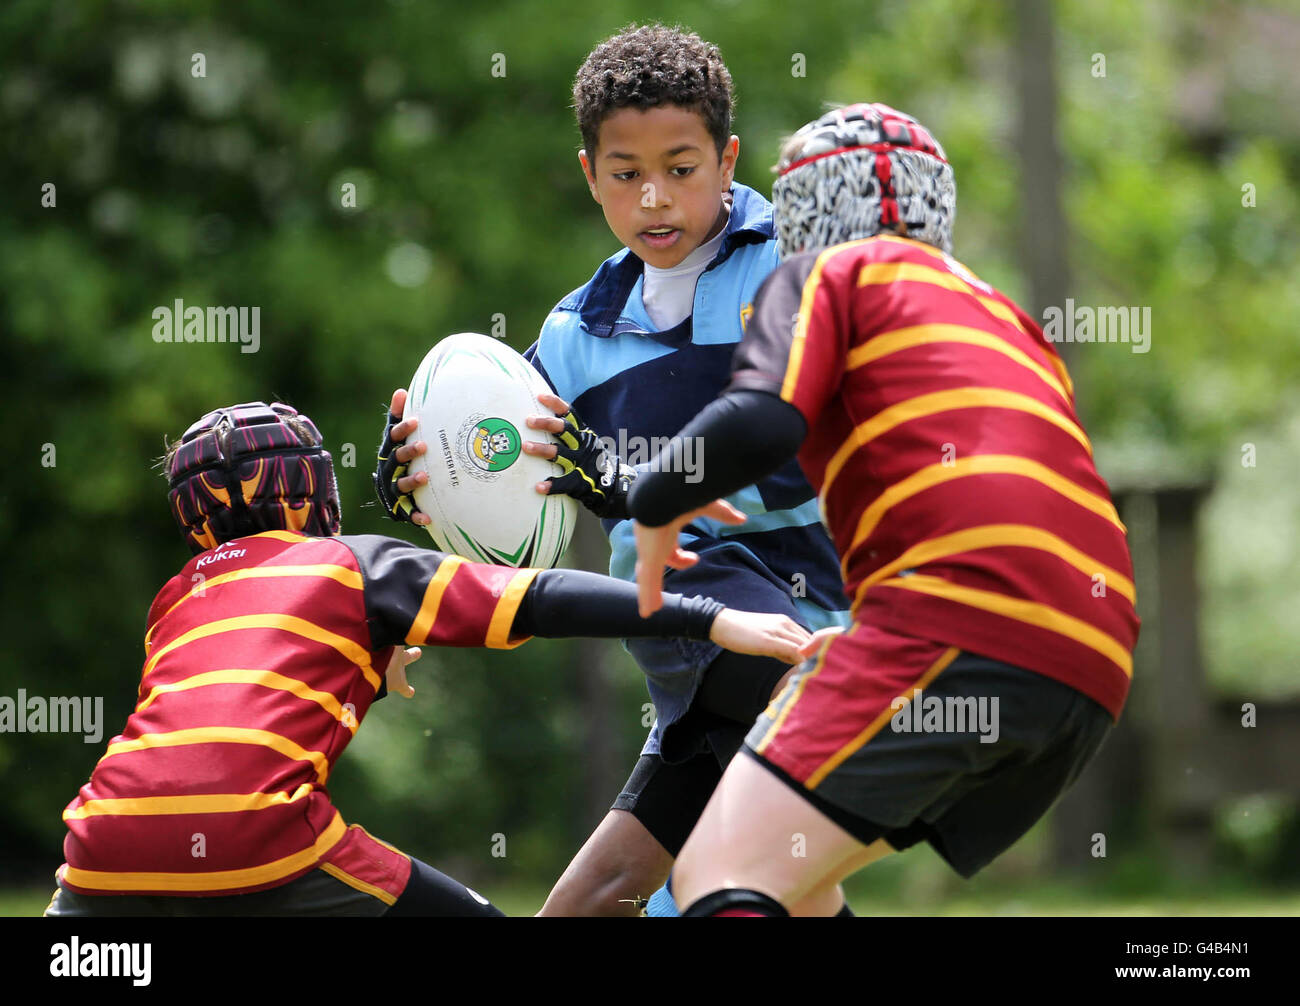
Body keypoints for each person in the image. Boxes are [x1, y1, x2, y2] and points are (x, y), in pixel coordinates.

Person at [375, 25, 851, 917]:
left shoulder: (793, 258)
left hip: (798, 633)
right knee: (601, 903)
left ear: (728, 158)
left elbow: (800, 428)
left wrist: (635, 482)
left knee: (699, 890)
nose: (655, 198)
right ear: (591, 175)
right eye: (626, 174)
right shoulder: (570, 337)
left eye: (682, 166)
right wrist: (420, 476)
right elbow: (502, 470)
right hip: (688, 670)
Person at [629, 103, 1141, 916]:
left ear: (801, 213)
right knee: (799, 877)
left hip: (956, 619)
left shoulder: (827, 274)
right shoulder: (1003, 316)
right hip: (1090, 657)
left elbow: (763, 419)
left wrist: (654, 499)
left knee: (718, 876)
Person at [44, 400, 812, 917]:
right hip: (260, 840)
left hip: (97, 856)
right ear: (309, 489)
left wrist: (371, 661)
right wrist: (711, 619)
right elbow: (541, 596)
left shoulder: (173, 601)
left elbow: (214, 718)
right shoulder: (354, 564)